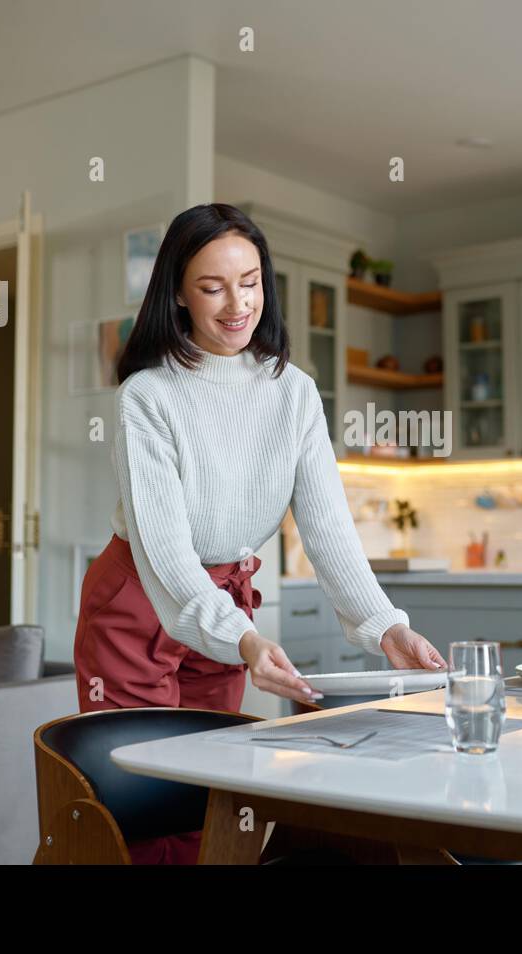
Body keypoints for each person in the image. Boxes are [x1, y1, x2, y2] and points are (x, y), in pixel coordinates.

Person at [73, 203, 446, 864]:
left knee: (211, 789)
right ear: (180, 296)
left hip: (223, 597)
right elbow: (165, 555)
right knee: (142, 798)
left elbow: (327, 525)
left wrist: (385, 625)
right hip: (137, 598)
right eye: (212, 287)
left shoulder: (293, 393)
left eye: (249, 281)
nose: (236, 303)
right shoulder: (147, 396)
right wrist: (241, 637)